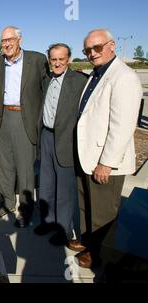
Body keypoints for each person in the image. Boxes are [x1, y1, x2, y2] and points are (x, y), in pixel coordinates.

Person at [74, 29, 142, 268]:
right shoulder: (97, 74)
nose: (92, 53)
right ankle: (87, 241)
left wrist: (107, 162)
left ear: (111, 45)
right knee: (85, 205)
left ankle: (99, 254)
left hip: (104, 161)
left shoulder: (124, 77)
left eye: (97, 48)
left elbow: (122, 126)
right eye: (87, 50)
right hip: (87, 156)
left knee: (103, 213)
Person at [0, 26, 49, 228]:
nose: (6, 44)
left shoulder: (37, 60)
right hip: (3, 118)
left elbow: (46, 92)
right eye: (3, 41)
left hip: (26, 119)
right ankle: (8, 203)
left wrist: (40, 119)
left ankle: (25, 211)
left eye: (10, 40)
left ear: (19, 40)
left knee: (25, 169)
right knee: (5, 167)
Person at [33, 44, 88, 246]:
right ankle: (47, 222)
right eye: (53, 59)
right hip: (46, 136)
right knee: (46, 183)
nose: (57, 63)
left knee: (64, 189)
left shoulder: (80, 81)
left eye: (61, 59)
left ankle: (63, 230)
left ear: (69, 59)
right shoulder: (47, 78)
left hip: (66, 140)